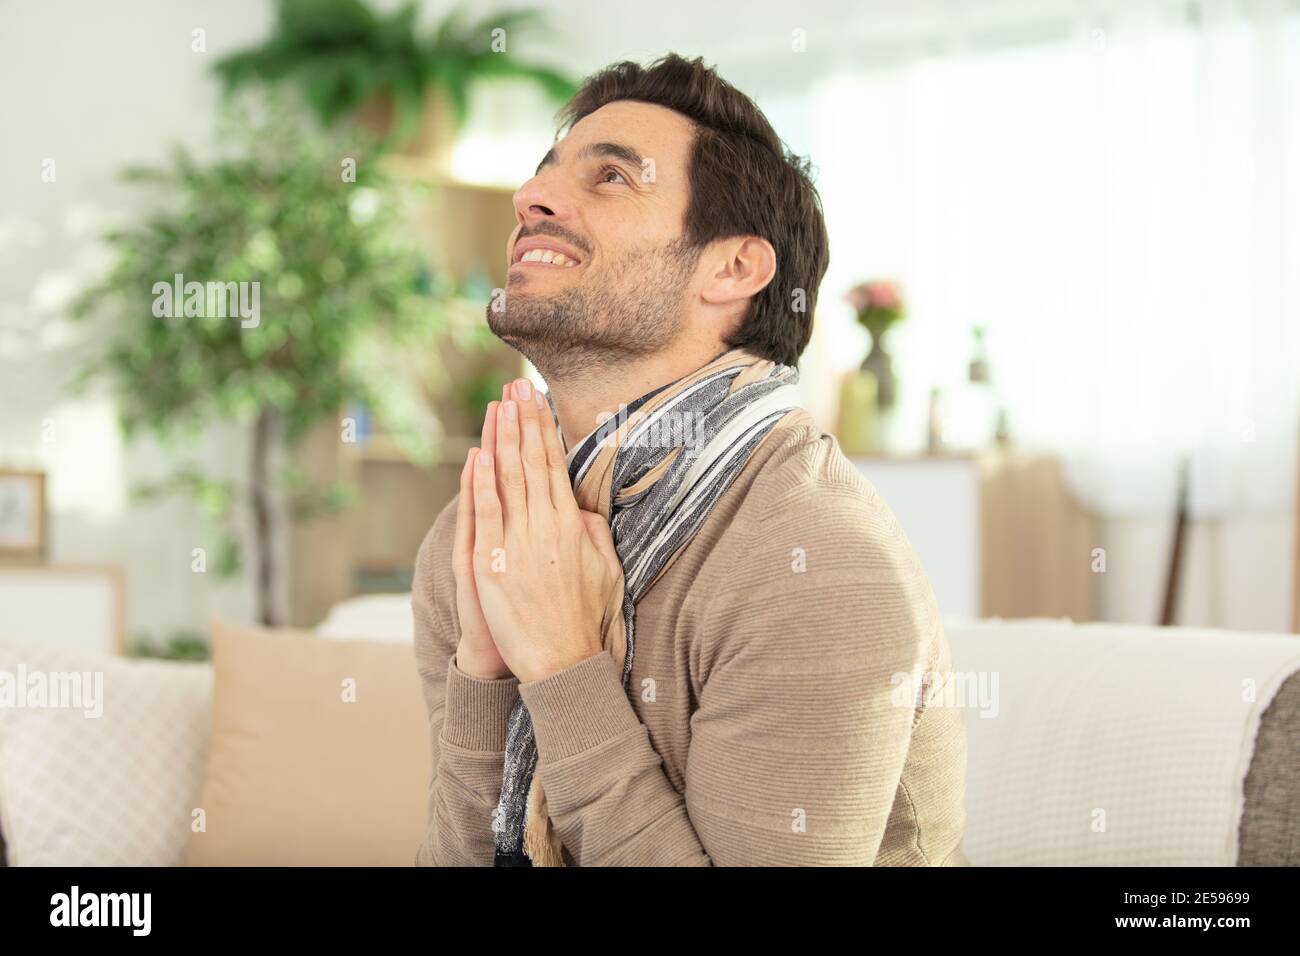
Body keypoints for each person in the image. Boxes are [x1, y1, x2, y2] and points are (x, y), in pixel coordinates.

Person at [413, 53, 968, 866]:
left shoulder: (816, 563)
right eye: (544, 176)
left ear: (734, 269)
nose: (528, 199)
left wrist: (563, 666)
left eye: (611, 178)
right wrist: (484, 676)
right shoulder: (481, 532)